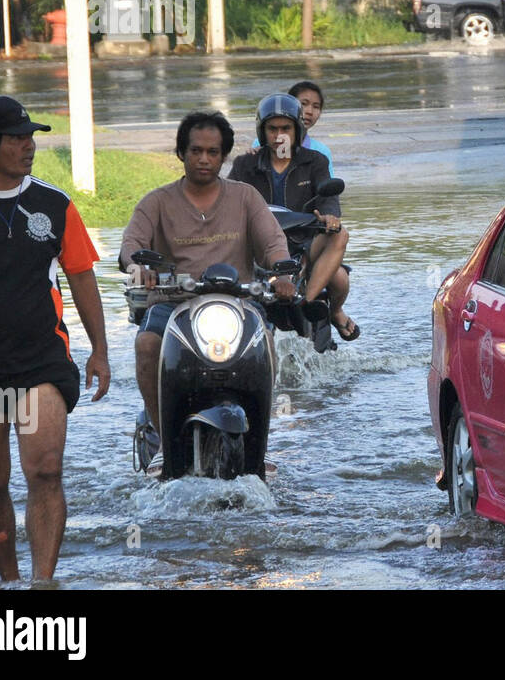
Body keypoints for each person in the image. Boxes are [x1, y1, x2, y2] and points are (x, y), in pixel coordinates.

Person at [0, 95, 109, 583]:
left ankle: (42, 582)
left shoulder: (55, 205)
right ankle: (9, 581)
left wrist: (100, 350)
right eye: (16, 138)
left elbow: (81, 277)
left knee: (46, 470)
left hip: (41, 362)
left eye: (31, 136)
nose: (28, 146)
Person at [121, 111, 296, 443]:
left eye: (212, 152)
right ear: (181, 153)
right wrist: (139, 268)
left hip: (238, 304)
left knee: (266, 346)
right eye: (196, 151)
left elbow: (273, 242)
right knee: (145, 345)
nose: (204, 159)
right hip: (173, 304)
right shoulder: (156, 201)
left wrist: (282, 270)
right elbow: (131, 244)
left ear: (223, 156)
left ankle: (260, 442)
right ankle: (164, 441)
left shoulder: (245, 197)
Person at [228, 94, 358, 341]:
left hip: (304, 245)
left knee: (340, 256)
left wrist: (329, 215)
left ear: (297, 129)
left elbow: (328, 196)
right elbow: (226, 198)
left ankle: (311, 302)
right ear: (262, 130)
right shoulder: (246, 163)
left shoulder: (315, 161)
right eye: (272, 128)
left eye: (286, 128)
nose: (279, 135)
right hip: (258, 248)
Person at [250, 80, 336, 176]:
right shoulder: (259, 144)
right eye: (303, 104)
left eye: (316, 106)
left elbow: (327, 186)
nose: (310, 111)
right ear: (288, 105)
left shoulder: (322, 151)